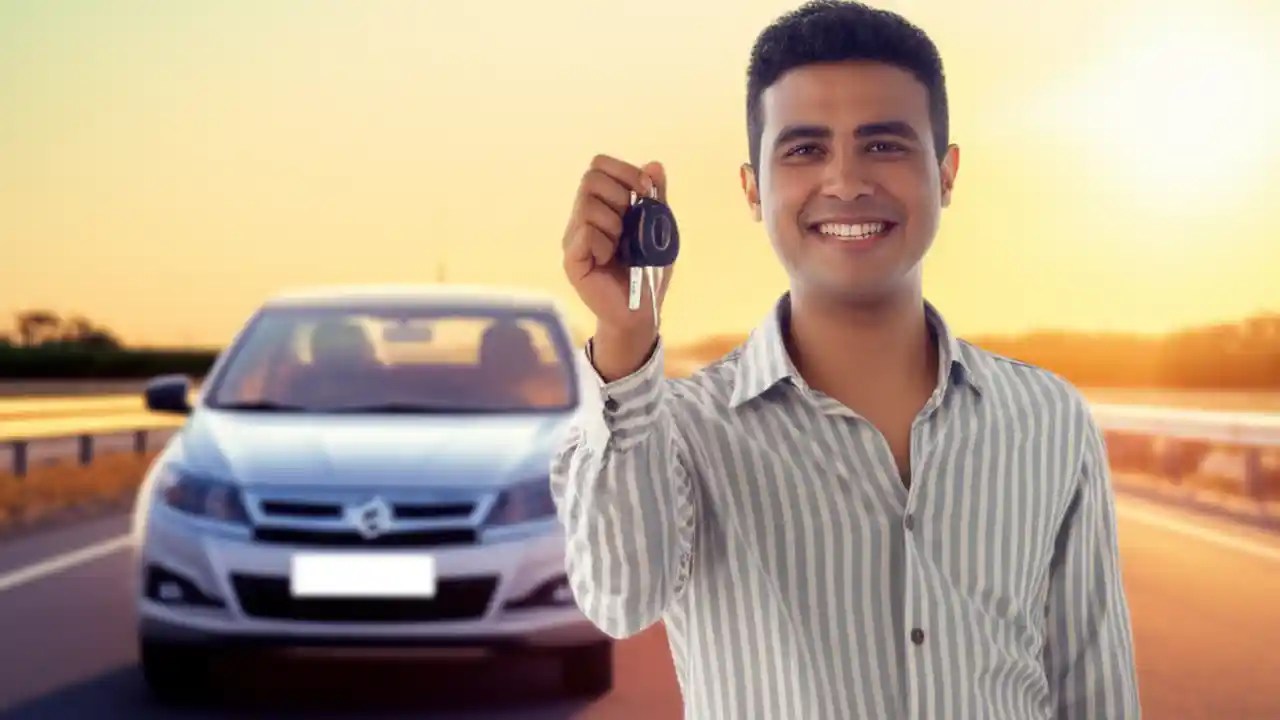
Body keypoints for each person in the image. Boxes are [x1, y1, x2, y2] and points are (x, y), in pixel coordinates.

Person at [551, 1, 1141, 718]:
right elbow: (618, 597)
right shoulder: (677, 431)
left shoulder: (1048, 421)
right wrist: (624, 336)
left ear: (946, 174)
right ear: (752, 190)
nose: (846, 180)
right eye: (804, 150)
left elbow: (1095, 695)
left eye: (884, 144)